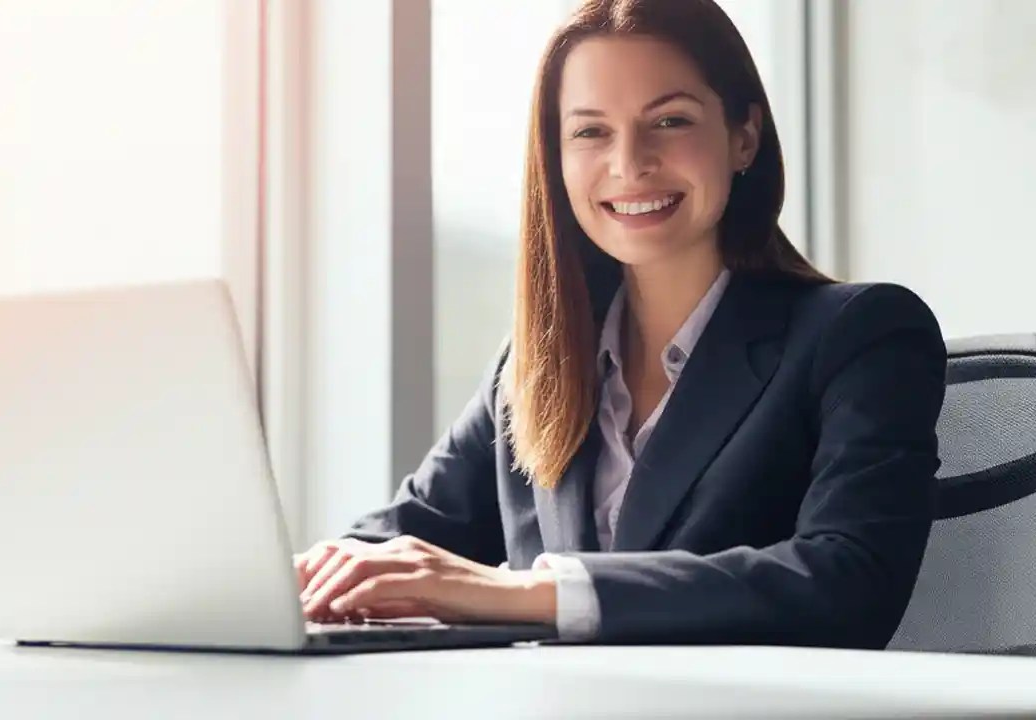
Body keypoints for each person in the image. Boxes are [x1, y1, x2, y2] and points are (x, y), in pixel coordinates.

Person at [293, 0, 947, 649]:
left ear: (743, 136)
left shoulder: (860, 334)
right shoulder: (537, 364)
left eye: (669, 120)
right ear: (555, 155)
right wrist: (283, 584)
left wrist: (524, 593)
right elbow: (401, 538)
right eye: (590, 132)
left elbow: (847, 582)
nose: (629, 163)